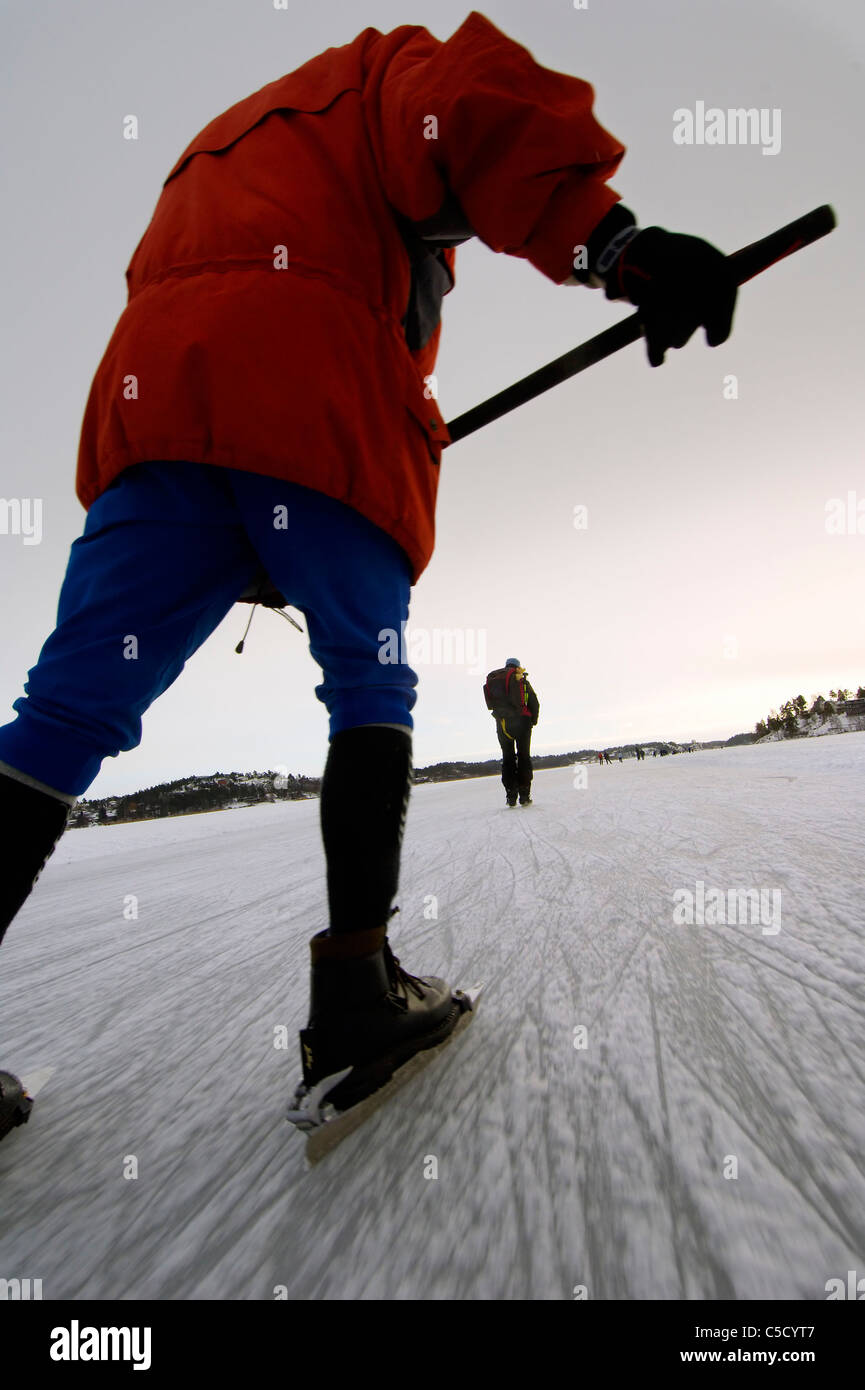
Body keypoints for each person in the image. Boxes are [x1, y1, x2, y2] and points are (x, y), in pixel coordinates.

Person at [0, 10, 736, 1137]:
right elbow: (479, 114)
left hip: (157, 408)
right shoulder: (383, 73)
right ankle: (357, 995)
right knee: (367, 682)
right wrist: (616, 244)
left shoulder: (214, 144)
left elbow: (215, 307)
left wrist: (245, 517)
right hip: (311, 392)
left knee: (61, 711)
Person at [484, 659, 540, 806]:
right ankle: (524, 795)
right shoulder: (520, 679)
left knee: (507, 758)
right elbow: (534, 702)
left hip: (502, 724)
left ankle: (511, 796)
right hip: (522, 722)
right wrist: (532, 721)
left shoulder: (496, 679)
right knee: (523, 757)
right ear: (517, 666)